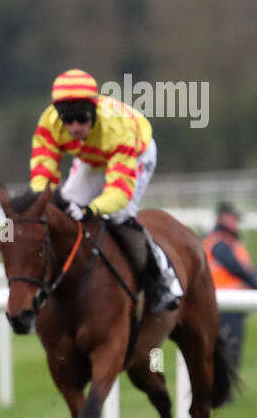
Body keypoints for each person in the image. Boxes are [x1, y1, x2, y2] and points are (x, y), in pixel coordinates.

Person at [28, 68, 184, 312]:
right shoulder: (49, 123)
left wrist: (91, 210)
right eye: (68, 119)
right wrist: (46, 200)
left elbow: (119, 192)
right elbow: (42, 174)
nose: (75, 126)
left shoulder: (116, 127)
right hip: (92, 158)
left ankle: (162, 280)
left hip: (136, 153)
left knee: (119, 215)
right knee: (64, 206)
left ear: (94, 109)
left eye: (82, 118)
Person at [203, 201, 257, 370]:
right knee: (225, 357)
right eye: (234, 219)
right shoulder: (219, 242)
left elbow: (244, 269)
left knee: (230, 356)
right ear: (223, 219)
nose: (237, 224)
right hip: (222, 308)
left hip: (230, 306)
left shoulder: (229, 243)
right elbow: (237, 268)